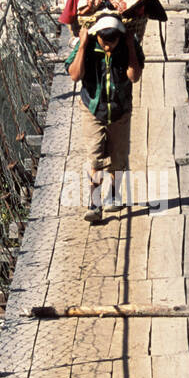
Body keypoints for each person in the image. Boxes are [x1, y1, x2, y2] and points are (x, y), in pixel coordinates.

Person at [65, 12, 144, 224]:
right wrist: (81, 46)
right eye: (104, 41)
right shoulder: (88, 47)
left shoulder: (128, 45)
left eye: (113, 41)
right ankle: (94, 203)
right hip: (93, 108)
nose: (108, 47)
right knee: (95, 157)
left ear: (120, 36)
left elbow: (134, 76)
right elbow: (74, 75)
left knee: (119, 157)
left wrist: (128, 47)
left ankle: (114, 195)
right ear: (96, 35)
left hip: (120, 110)